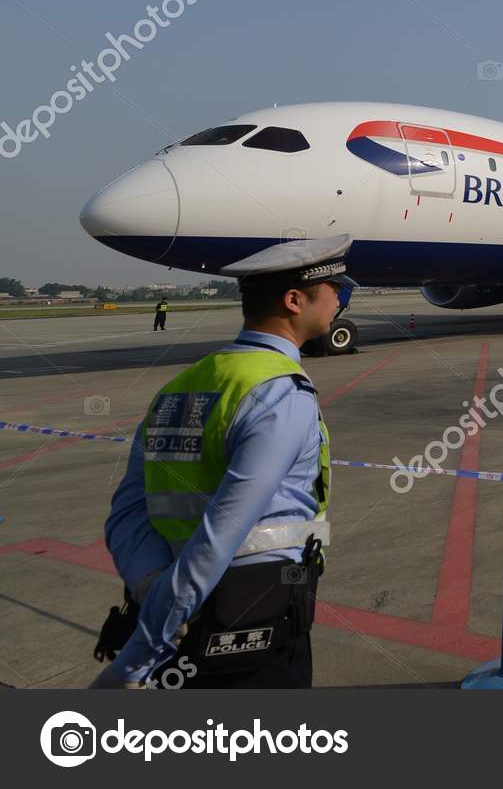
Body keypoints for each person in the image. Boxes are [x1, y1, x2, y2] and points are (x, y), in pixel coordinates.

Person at [92, 235, 352, 689]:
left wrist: (152, 584)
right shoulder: (281, 394)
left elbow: (127, 513)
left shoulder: (181, 385)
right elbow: (222, 532)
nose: (340, 300)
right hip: (256, 610)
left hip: (173, 604)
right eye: (337, 289)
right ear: (294, 301)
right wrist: (136, 658)